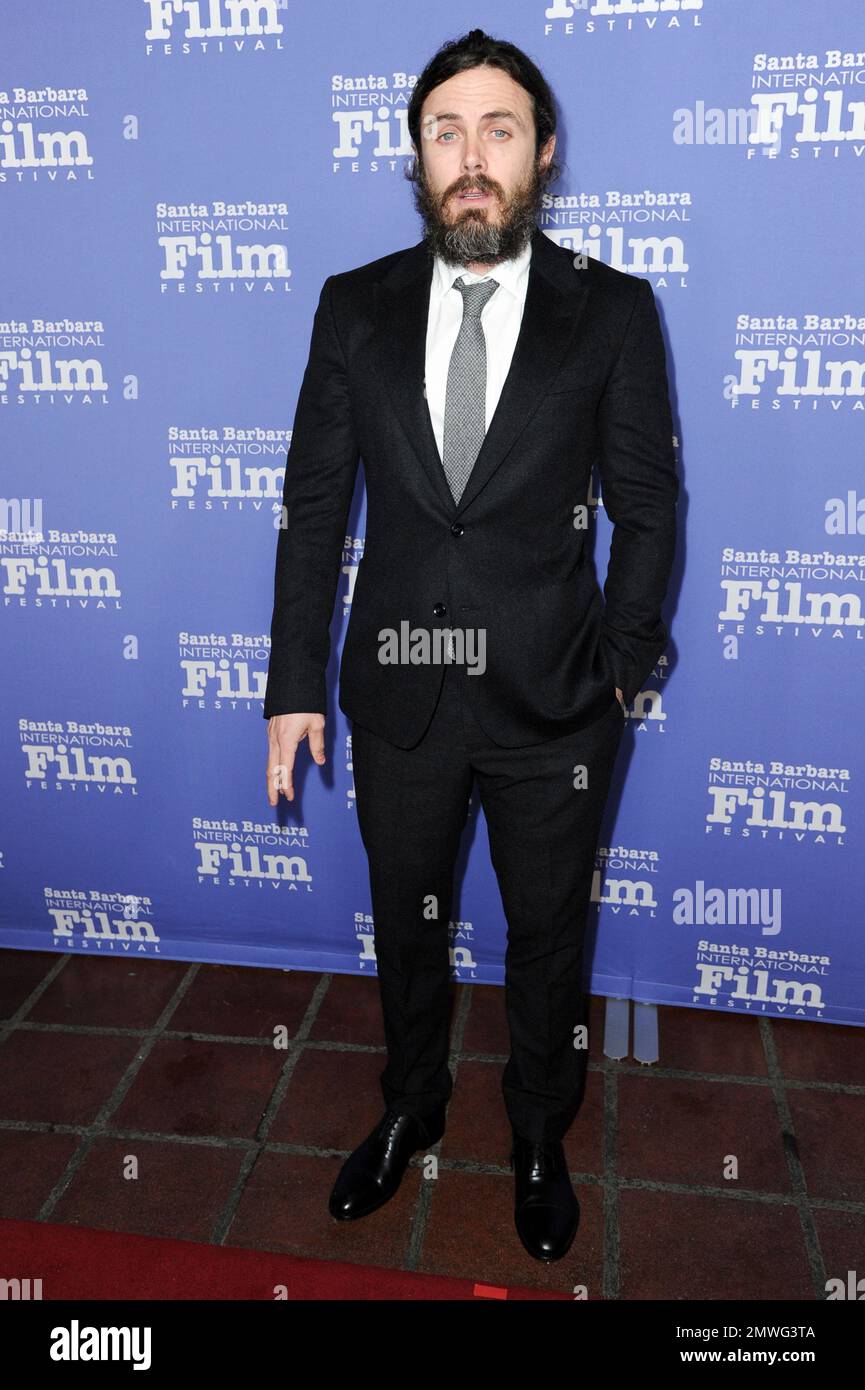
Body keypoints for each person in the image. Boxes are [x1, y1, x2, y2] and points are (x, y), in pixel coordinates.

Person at [264, 28, 678, 1262]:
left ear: (542, 154)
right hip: (398, 699)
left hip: (556, 705)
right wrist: (293, 684)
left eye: (497, 129)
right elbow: (314, 507)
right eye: (445, 132)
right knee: (406, 923)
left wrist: (621, 664)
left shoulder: (610, 311)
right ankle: (410, 1108)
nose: (471, 157)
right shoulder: (355, 308)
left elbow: (649, 507)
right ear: (417, 160)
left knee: (552, 935)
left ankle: (540, 1134)